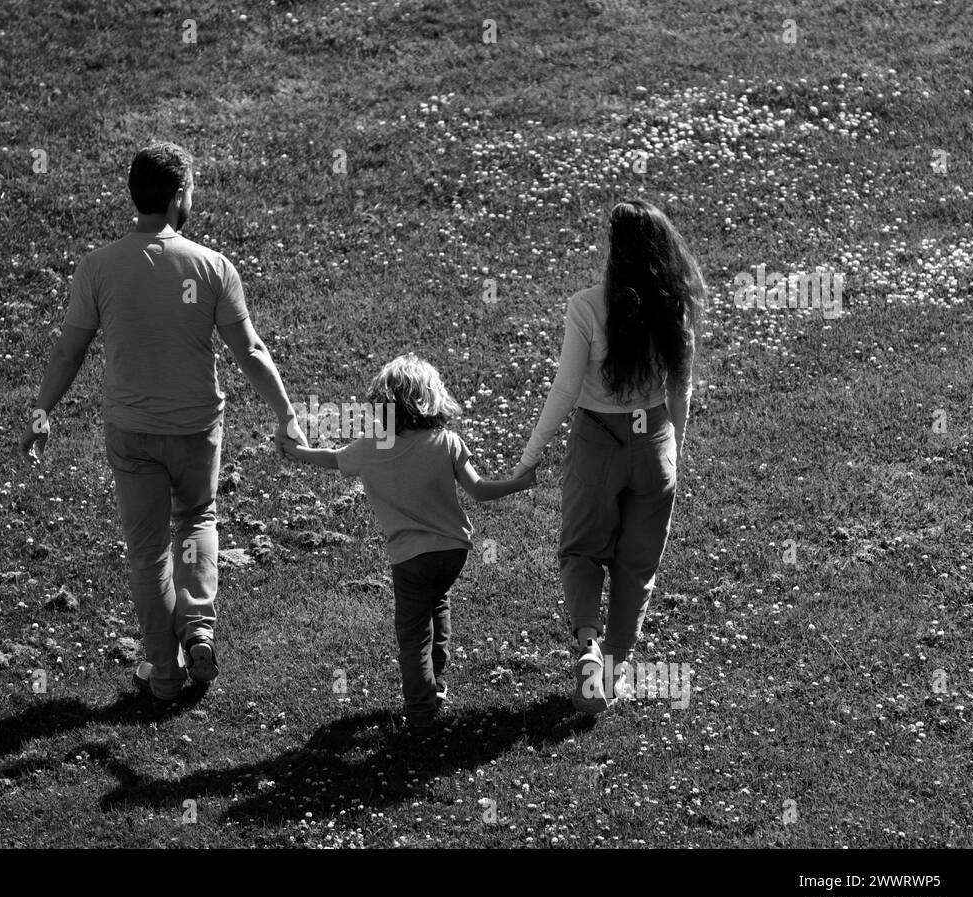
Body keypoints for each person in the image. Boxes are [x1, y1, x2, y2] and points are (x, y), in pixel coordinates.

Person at [20, 141, 305, 703]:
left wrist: (40, 412)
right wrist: (287, 415)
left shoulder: (98, 267)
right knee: (197, 517)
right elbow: (250, 350)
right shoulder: (211, 266)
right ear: (180, 196)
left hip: (132, 433)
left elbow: (67, 354)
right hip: (198, 428)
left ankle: (163, 673)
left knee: (147, 551)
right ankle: (199, 627)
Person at [514, 199, 703, 714]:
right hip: (654, 447)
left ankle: (588, 647)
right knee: (637, 566)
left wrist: (530, 458)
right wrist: (672, 456)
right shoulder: (676, 307)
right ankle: (616, 670)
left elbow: (565, 389)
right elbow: (680, 391)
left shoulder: (586, 307)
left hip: (598, 443)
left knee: (581, 551)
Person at [281, 354, 535, 731]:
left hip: (409, 557)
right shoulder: (446, 442)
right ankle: (438, 685)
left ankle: (421, 713)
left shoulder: (372, 447)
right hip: (453, 553)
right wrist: (520, 481)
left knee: (413, 634)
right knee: (439, 602)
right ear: (431, 398)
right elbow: (479, 491)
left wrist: (295, 450)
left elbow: (332, 460)